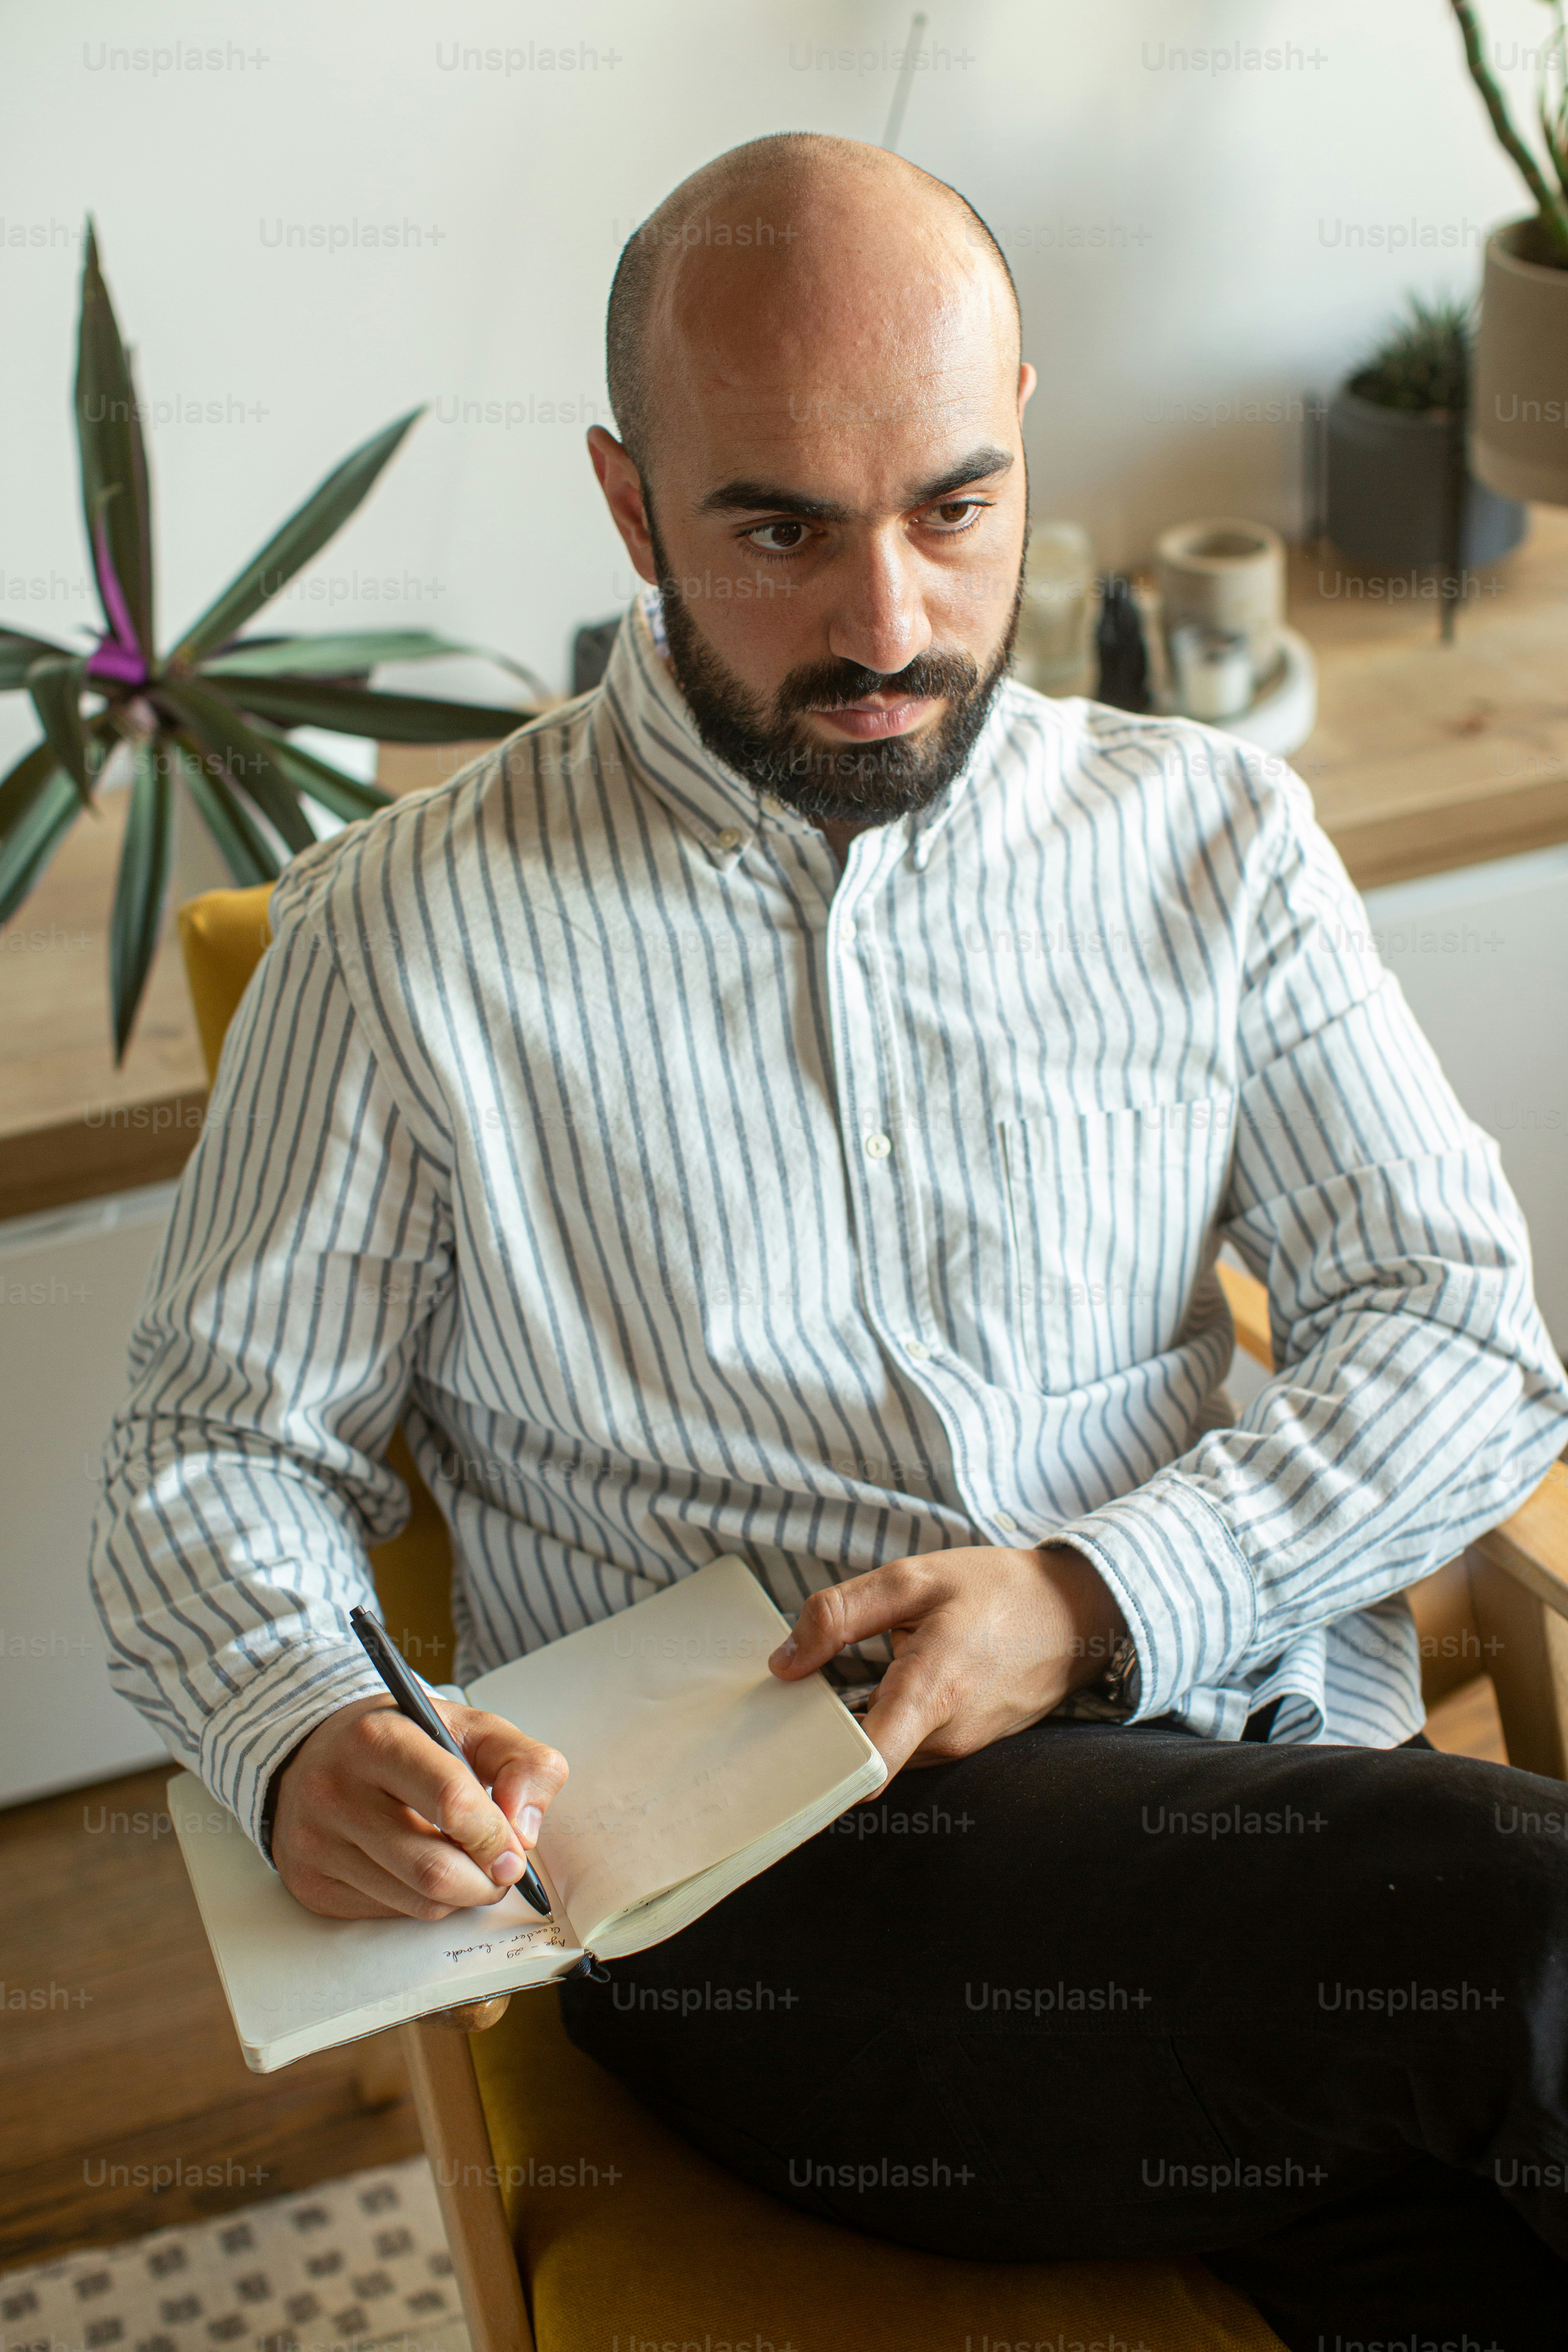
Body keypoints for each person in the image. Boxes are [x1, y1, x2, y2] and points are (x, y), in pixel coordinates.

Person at [92, 133, 1568, 2348]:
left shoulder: (1209, 843)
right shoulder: (399, 943)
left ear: (1022, 444)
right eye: (778, 529)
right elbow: (212, 1457)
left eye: (953, 510)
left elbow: (1461, 1331)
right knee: (1528, 1943)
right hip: (788, 1902)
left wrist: (1093, 1595)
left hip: (1280, 1818)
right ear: (629, 506)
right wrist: (304, 1725)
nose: (888, 626)